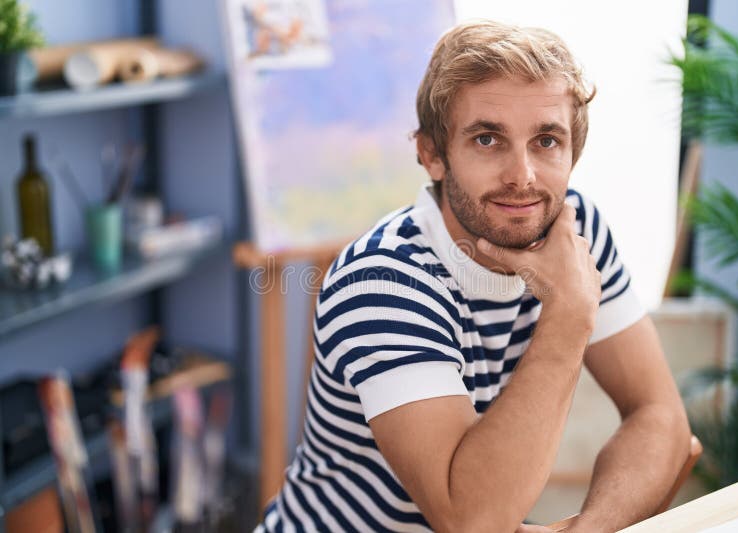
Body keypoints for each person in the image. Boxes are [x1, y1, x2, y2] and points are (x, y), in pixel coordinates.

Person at [257, 20, 690, 533]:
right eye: (488, 139)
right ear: (431, 155)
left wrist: (590, 528)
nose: (522, 176)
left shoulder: (579, 228)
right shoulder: (382, 282)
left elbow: (661, 418)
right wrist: (569, 314)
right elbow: (472, 522)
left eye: (547, 140)